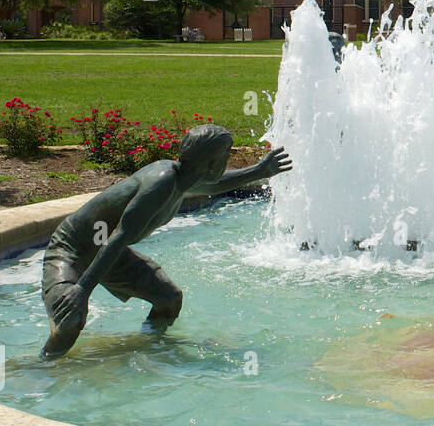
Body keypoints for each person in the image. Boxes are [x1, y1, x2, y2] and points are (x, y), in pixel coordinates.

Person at [39, 125, 292, 358]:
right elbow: (119, 236)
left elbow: (213, 186)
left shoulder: (183, 178)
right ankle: (43, 368)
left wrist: (259, 171)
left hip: (105, 246)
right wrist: (82, 290)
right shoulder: (161, 182)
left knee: (168, 298)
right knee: (69, 318)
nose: (227, 161)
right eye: (226, 156)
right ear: (211, 162)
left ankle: (147, 347)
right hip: (72, 247)